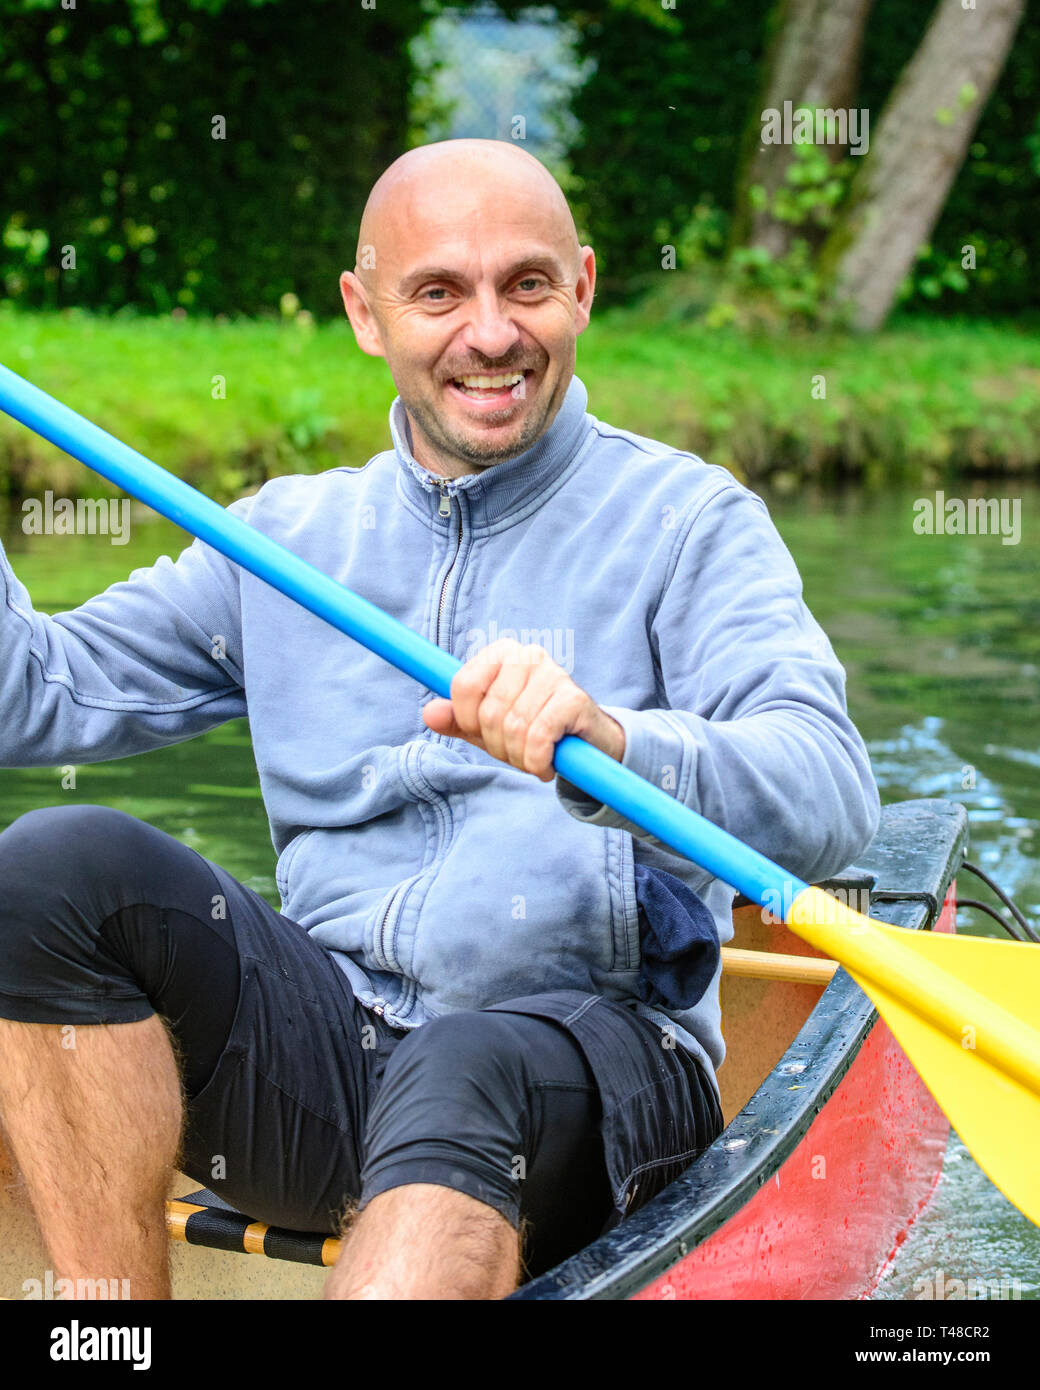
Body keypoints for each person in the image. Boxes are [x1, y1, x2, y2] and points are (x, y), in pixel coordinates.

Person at [0, 139, 880, 1300]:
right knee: (50, 868)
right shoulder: (281, 542)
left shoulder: (687, 523)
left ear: (584, 288)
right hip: (336, 1060)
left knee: (467, 1060)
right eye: (437, 292)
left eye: (524, 283)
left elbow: (831, 792)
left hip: (602, 1074)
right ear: (365, 316)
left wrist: (613, 740)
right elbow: (34, 695)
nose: (490, 333)